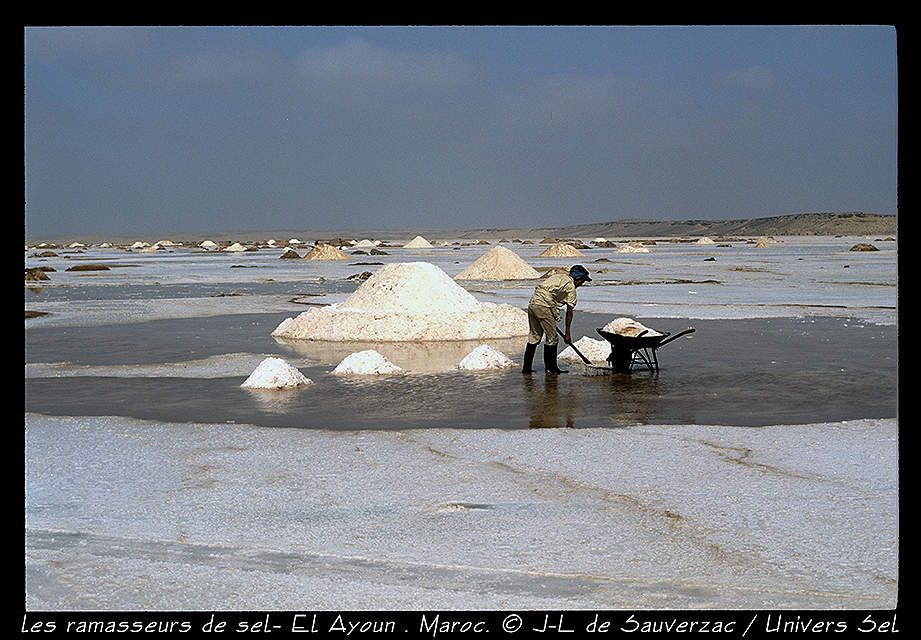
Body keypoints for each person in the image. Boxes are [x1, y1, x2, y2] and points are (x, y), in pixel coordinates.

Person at [522, 264, 591, 374]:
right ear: (578, 279)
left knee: (534, 336)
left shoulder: (559, 277)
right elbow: (569, 311)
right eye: (582, 281)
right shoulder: (571, 287)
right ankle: (551, 369)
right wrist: (567, 333)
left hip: (533, 304)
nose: (581, 284)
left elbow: (549, 292)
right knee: (552, 338)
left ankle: (526, 369)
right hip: (544, 306)